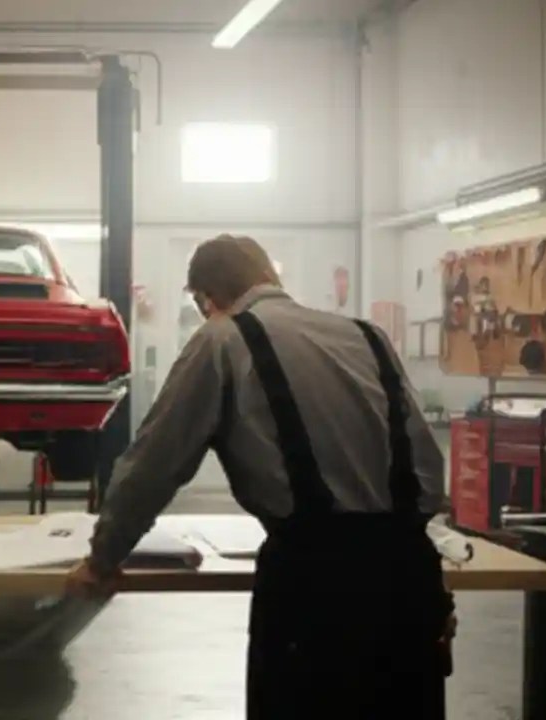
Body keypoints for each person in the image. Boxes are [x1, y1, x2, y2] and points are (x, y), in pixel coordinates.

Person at [67, 235, 456, 719]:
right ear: (270, 278)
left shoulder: (222, 339)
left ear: (204, 299)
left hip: (314, 591)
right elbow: (427, 466)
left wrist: (102, 558)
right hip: (411, 582)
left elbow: (153, 465)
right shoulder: (367, 337)